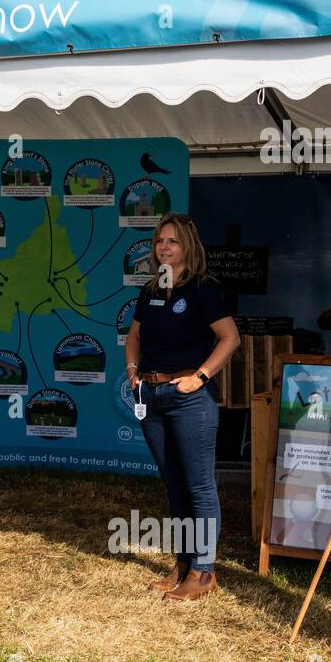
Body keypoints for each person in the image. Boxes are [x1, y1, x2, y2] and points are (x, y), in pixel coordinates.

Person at [125, 214, 239, 601]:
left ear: (188, 245)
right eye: (159, 241)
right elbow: (134, 338)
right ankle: (184, 563)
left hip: (190, 398)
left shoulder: (205, 289)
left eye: (172, 241)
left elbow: (230, 338)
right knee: (175, 486)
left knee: (200, 487)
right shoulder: (151, 290)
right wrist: (133, 371)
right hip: (153, 397)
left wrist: (201, 378)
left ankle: (203, 572)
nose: (164, 247)